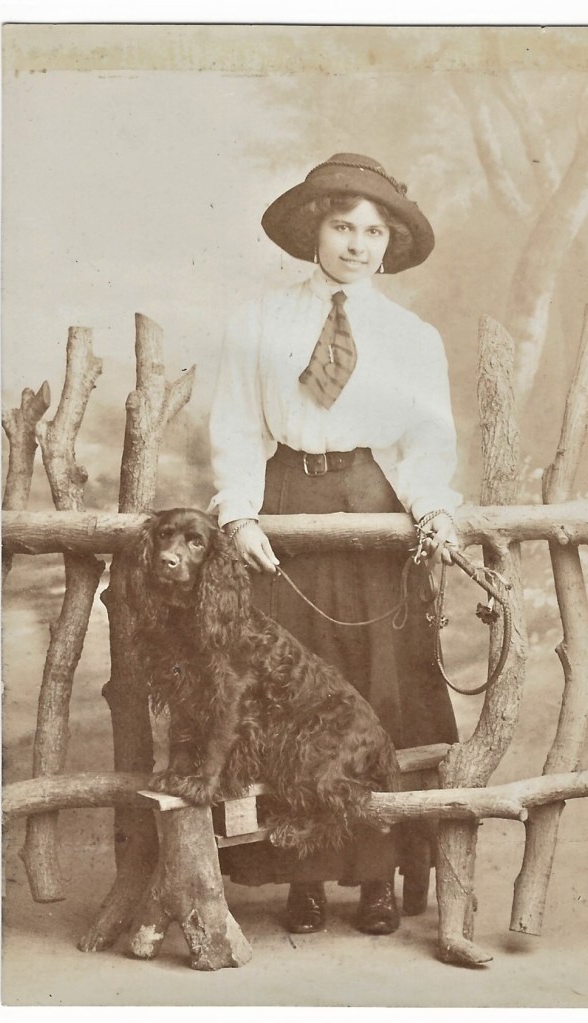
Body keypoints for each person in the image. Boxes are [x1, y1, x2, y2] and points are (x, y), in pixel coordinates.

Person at [208, 153, 461, 936]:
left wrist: (433, 510)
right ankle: (304, 879)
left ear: (390, 244)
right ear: (314, 229)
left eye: (373, 232)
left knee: (375, 692)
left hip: (372, 513)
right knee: (293, 698)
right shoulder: (260, 322)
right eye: (343, 226)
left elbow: (426, 442)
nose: (357, 244)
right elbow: (236, 425)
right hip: (285, 510)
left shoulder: (411, 336)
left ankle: (376, 875)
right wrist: (239, 515)